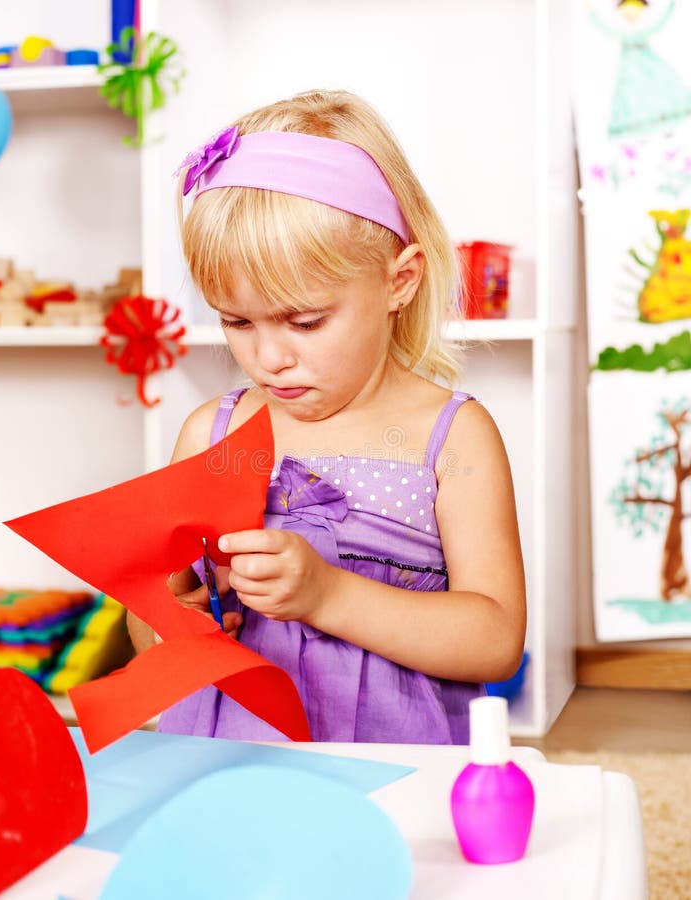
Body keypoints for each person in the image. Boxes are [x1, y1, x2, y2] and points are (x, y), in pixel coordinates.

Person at [127, 89, 526, 744]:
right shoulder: (213, 434)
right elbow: (151, 617)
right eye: (236, 321)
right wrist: (174, 619)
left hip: (398, 766)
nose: (269, 356)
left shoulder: (453, 436)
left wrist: (327, 596)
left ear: (399, 282)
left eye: (304, 320)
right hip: (233, 760)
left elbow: (496, 640)